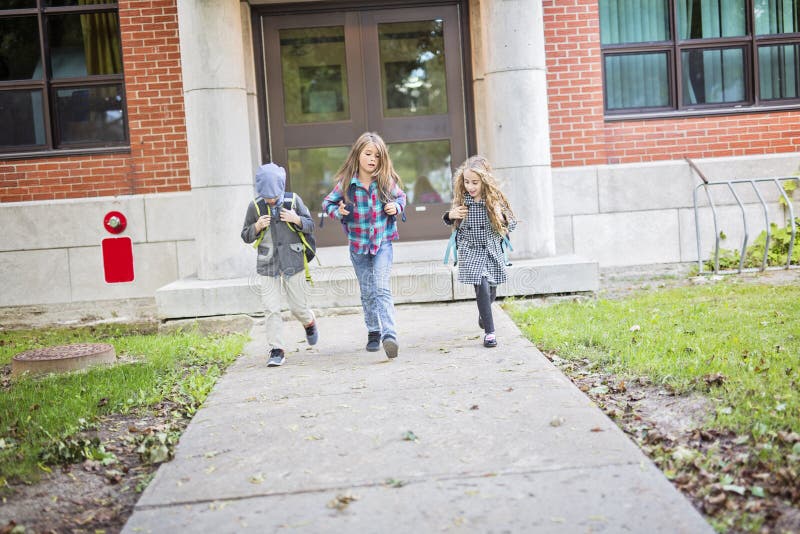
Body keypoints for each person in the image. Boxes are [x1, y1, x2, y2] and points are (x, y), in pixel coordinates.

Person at [322, 132, 407, 359]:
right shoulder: (346, 184)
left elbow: (401, 199)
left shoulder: (385, 181)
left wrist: (395, 208)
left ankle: (389, 335)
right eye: (368, 154)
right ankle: (373, 331)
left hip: (382, 244)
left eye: (377, 156)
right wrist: (337, 211)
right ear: (357, 155)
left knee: (381, 288)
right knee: (368, 291)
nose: (372, 159)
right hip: (358, 247)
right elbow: (327, 203)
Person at [241, 162, 319, 367]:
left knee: (297, 307)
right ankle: (277, 349)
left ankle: (309, 321)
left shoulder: (293, 201)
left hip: (293, 261)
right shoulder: (255, 207)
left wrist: (296, 219)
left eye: (274, 197)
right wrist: (256, 227)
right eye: (267, 197)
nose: (271, 200)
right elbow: (245, 235)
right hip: (268, 265)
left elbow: (310, 225)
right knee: (271, 308)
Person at [443, 155, 516, 348]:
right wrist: (451, 215)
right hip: (471, 250)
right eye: (467, 182)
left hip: (491, 249)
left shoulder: (496, 199)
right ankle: (490, 333)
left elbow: (513, 222)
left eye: (475, 182)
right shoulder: (463, 199)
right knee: (481, 285)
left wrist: (502, 217)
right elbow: (451, 218)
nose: (470, 186)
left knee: (491, 289)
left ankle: (485, 313)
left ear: (484, 181)